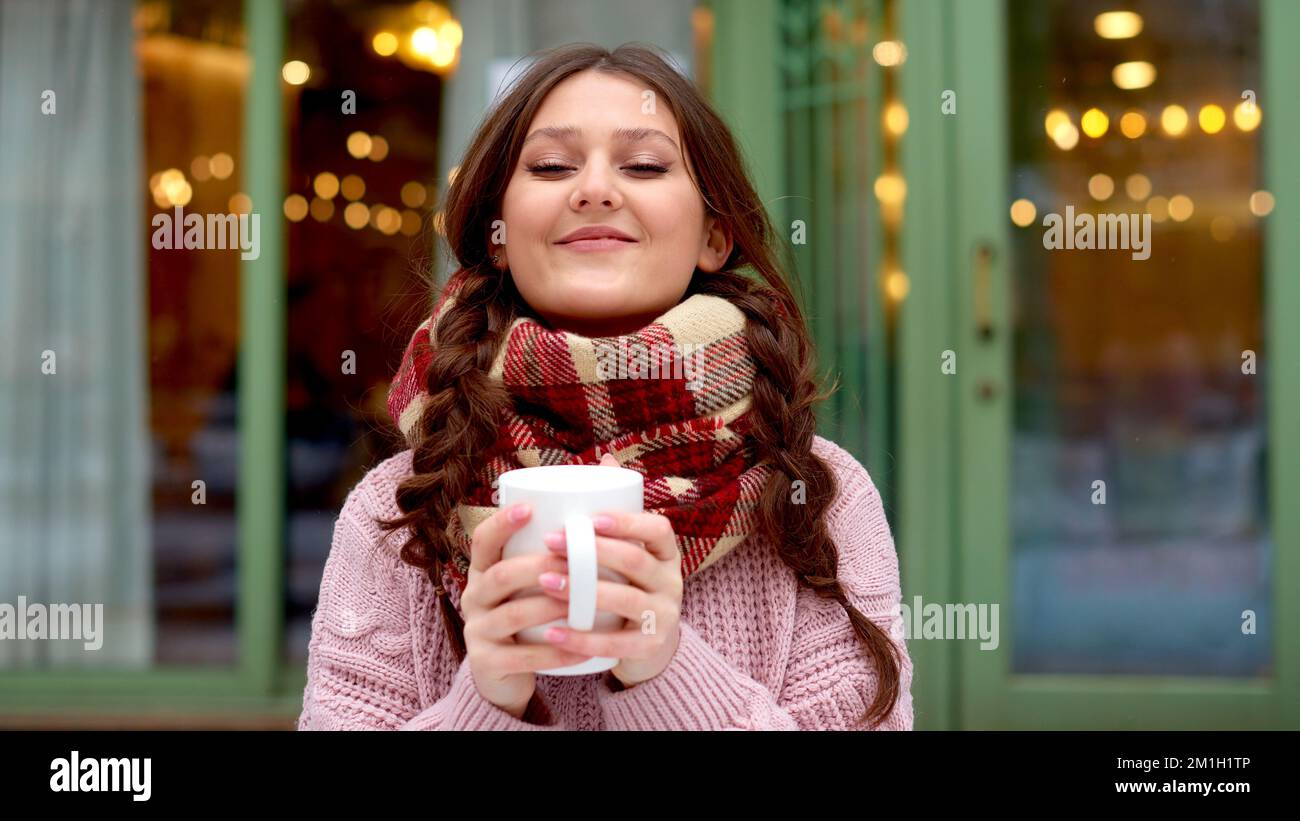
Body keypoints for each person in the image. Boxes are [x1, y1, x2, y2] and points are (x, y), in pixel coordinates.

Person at [297, 42, 913, 730]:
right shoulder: (398, 509)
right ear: (497, 234)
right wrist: (488, 701)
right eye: (552, 165)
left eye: (644, 165)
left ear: (716, 234)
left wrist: (667, 671)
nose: (594, 189)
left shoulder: (818, 497)